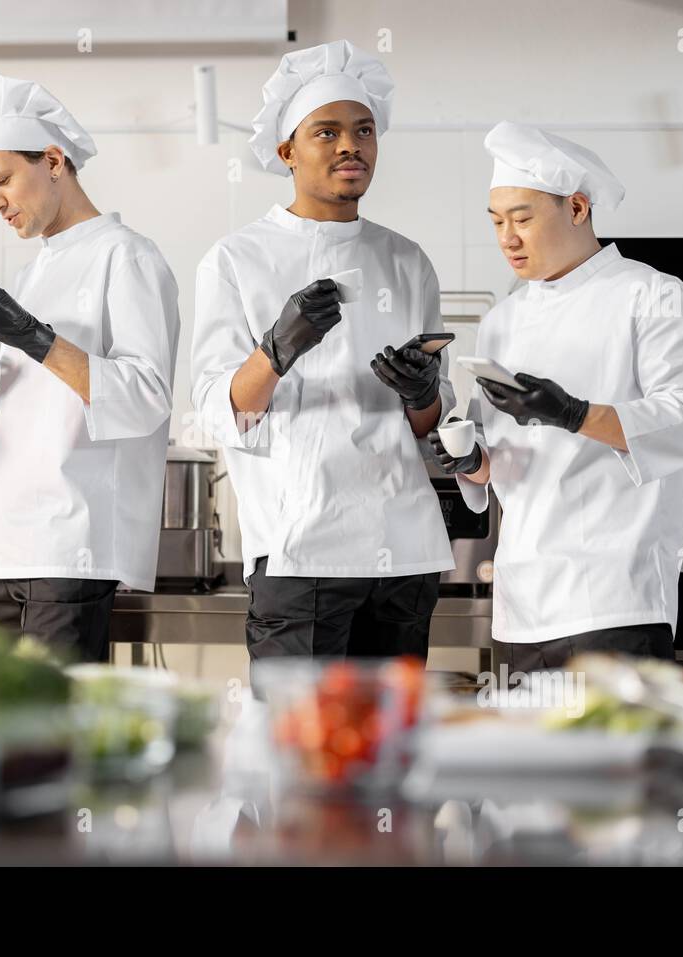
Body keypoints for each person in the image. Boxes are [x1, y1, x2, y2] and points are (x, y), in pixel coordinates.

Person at [191, 40, 455, 663]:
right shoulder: (237, 259)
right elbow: (215, 410)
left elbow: (431, 425)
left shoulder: (406, 259)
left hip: (404, 549)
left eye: (363, 130)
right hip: (300, 550)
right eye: (327, 131)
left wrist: (422, 395)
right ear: (287, 151)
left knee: (389, 752)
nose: (350, 146)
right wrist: (276, 351)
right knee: (300, 753)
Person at [431, 121, 683, 672]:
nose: (507, 238)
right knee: (529, 761)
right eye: (496, 222)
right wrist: (470, 461)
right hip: (521, 605)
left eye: (522, 218)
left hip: (616, 599)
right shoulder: (501, 321)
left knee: (612, 758)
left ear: (578, 208)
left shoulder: (652, 295)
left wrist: (571, 413)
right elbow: (504, 468)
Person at [0, 73, 179, 662]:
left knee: (54, 743)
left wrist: (34, 337)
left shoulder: (127, 256)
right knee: (5, 739)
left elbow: (144, 398)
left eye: (2, 180)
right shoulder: (34, 273)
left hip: (69, 546)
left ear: (53, 160)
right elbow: (32, 420)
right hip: (5, 544)